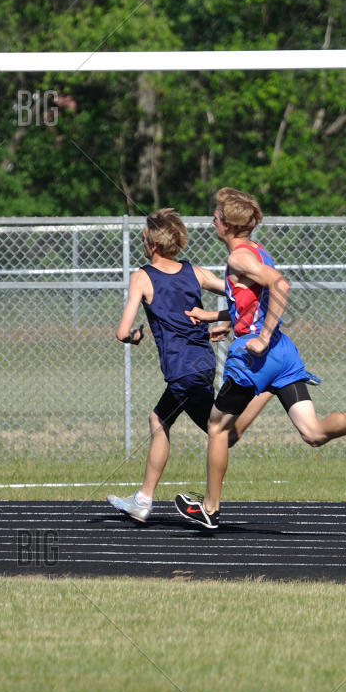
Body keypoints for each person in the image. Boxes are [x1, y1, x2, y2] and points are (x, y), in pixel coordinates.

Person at [174, 187, 346, 529]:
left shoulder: (238, 258)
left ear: (226, 225)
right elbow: (251, 304)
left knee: (217, 428)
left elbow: (280, 286)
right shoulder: (258, 251)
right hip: (283, 354)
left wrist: (260, 337)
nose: (212, 220)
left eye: (215, 216)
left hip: (255, 358)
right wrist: (216, 319)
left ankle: (210, 508)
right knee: (312, 433)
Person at [108, 209, 270, 521]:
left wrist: (136, 335)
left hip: (182, 369)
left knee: (221, 432)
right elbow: (238, 294)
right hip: (202, 364)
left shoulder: (141, 277)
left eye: (143, 238)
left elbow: (121, 331)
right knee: (162, 420)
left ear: (152, 245)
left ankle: (265, 389)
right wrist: (229, 319)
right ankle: (143, 499)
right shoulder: (194, 272)